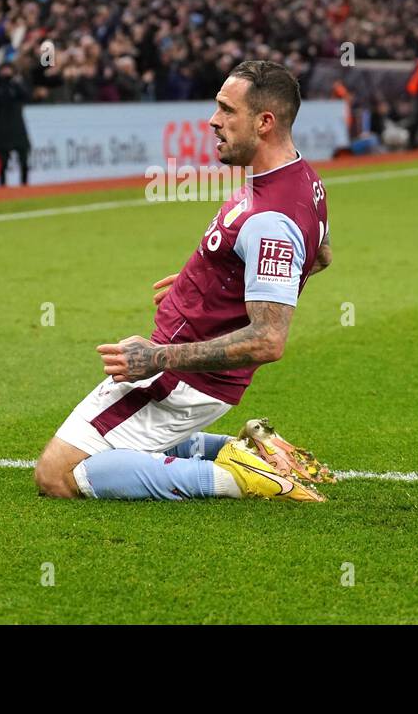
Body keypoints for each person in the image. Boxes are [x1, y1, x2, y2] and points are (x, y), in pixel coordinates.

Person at [33, 61, 333, 502]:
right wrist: (214, 276)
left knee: (57, 476)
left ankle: (243, 480)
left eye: (227, 111)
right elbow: (319, 253)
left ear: (264, 122)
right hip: (193, 371)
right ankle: (248, 450)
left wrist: (157, 358)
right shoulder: (301, 179)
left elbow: (269, 340)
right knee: (119, 446)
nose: (214, 121)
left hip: (183, 378)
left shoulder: (271, 217)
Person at [0, 62, 31, 186]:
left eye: (8, 69)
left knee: (24, 159)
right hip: (2, 127)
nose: (6, 72)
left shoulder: (17, 85)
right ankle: (2, 186)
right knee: (2, 162)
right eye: (4, 70)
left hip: (18, 126)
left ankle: (24, 185)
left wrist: (17, 83)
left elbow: (27, 96)